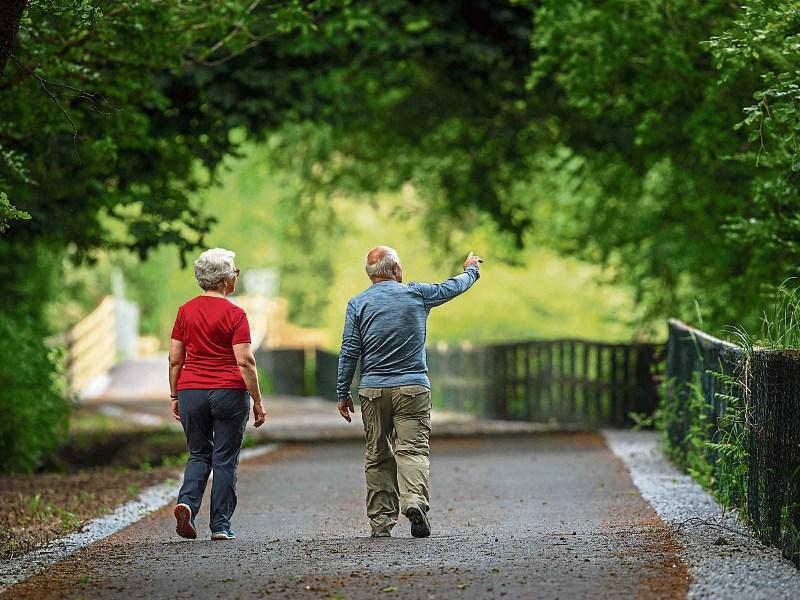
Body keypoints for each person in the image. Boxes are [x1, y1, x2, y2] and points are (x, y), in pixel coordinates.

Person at [336, 246, 482, 538]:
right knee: (412, 449)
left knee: (378, 454)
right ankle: (413, 500)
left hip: (373, 391)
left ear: (371, 275)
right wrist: (471, 270)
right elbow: (451, 287)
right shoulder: (417, 294)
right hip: (413, 389)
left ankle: (381, 523)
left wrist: (342, 392)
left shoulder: (358, 304)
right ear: (396, 270)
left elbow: (350, 350)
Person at [168, 247, 266, 541]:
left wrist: (175, 395)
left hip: (191, 391)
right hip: (229, 393)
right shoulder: (235, 314)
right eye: (235, 272)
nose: (236, 276)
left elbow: (175, 359)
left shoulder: (185, 311)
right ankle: (220, 525)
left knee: (199, 453)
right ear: (225, 281)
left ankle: (187, 503)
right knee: (224, 459)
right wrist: (258, 400)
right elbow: (245, 361)